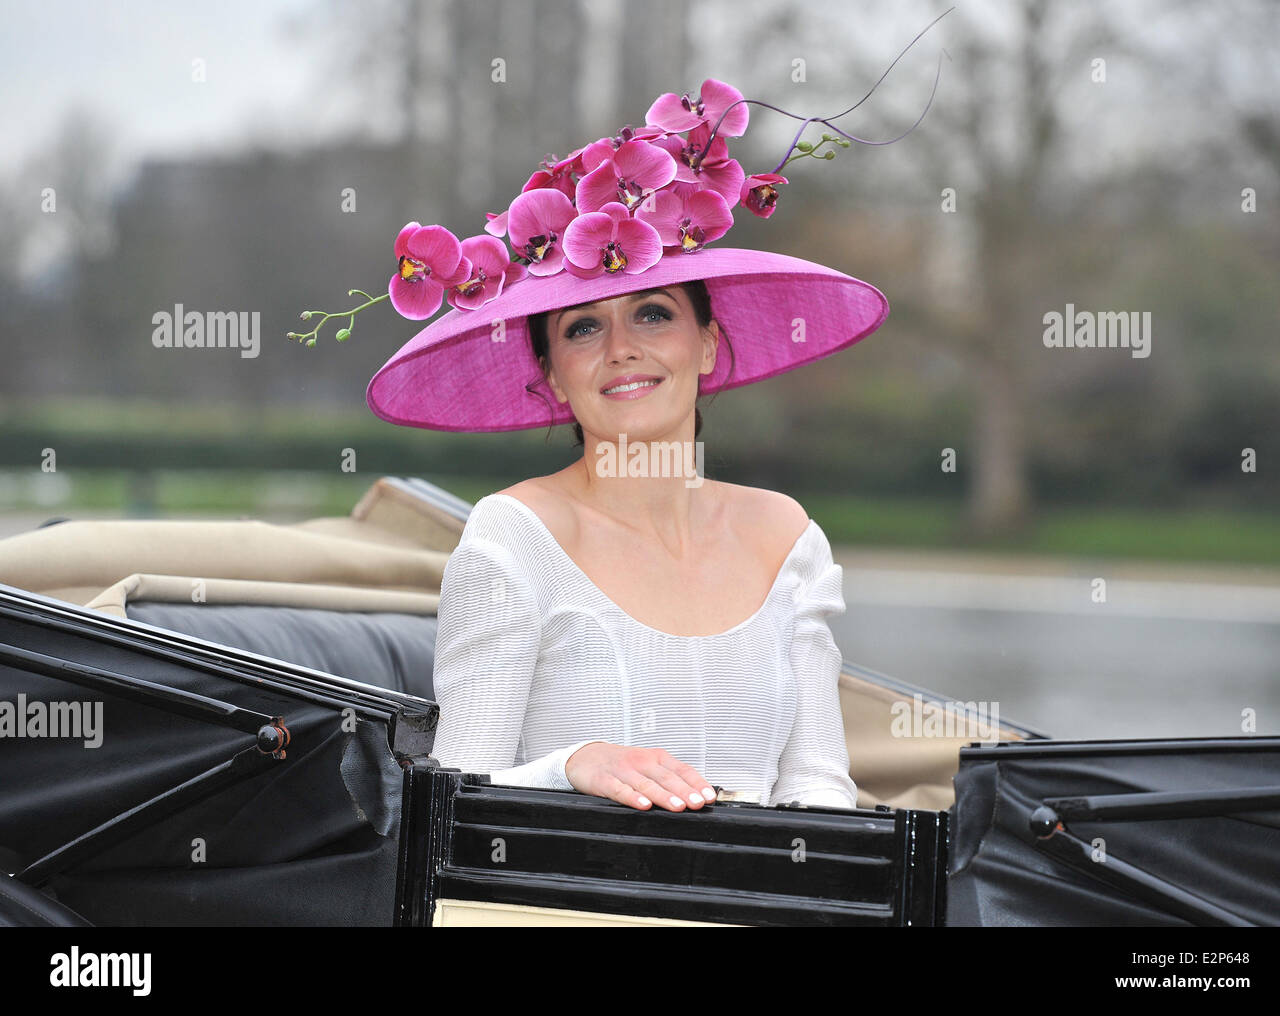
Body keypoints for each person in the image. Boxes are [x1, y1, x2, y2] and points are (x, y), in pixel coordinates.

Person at [352, 77, 898, 812]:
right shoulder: (513, 537)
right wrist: (572, 766)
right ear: (550, 376)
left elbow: (819, 787)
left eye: (652, 314)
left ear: (707, 345)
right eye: (582, 327)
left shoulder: (789, 537)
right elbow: (450, 800)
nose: (621, 349)